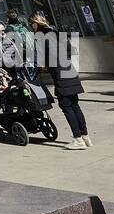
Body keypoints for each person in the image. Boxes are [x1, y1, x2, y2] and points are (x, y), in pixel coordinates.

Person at [30, 13, 91, 150]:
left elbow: (44, 56)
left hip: (59, 74)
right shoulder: (56, 31)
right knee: (75, 106)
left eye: (31, 24)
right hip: (69, 69)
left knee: (67, 107)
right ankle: (85, 136)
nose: (31, 27)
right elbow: (69, 49)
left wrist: (44, 65)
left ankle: (77, 139)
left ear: (35, 23)